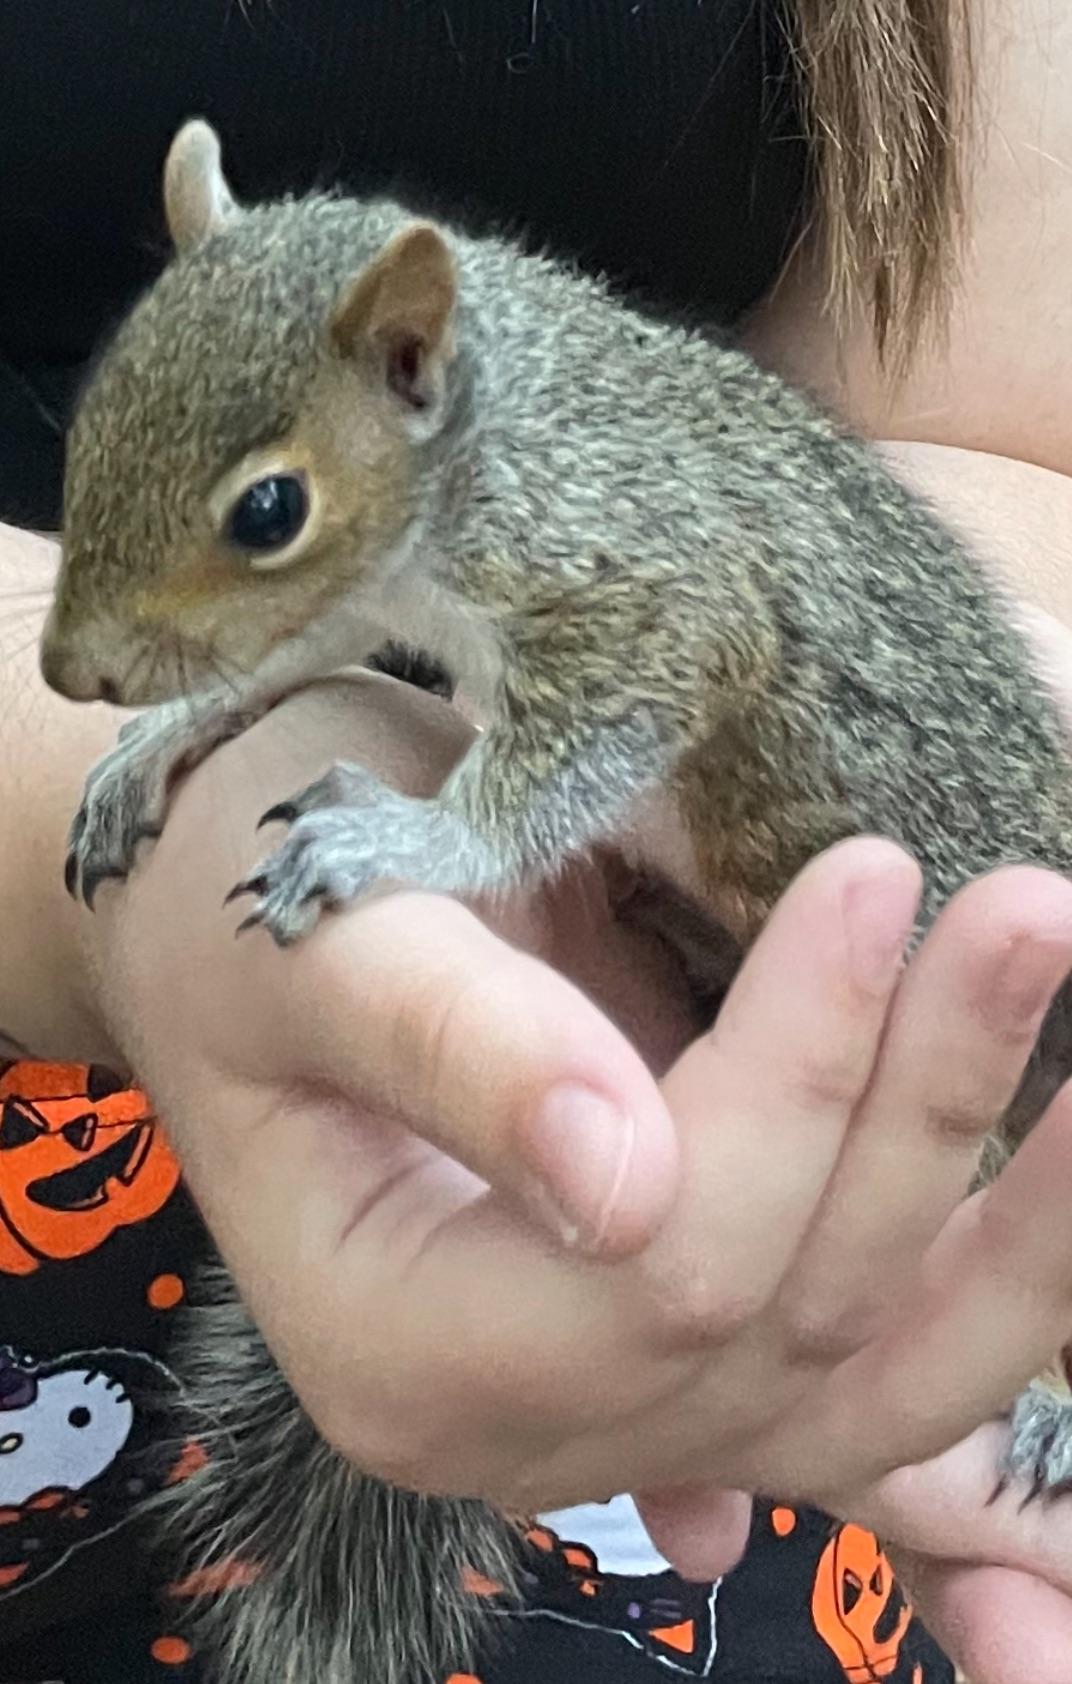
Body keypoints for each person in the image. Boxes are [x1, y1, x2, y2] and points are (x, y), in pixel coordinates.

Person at [1, 3, 1072, 1681]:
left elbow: (637, 681)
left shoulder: (553, 506)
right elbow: (327, 612)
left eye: (264, 516)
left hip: (869, 919)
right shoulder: (392, 477)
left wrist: (444, 836)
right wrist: (143, 740)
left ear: (412, 366)